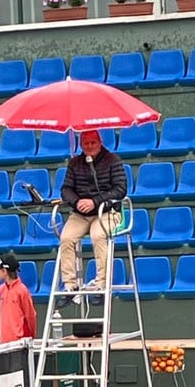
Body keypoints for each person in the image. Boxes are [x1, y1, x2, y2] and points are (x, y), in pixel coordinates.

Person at [57, 129, 128, 303]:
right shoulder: (74, 163)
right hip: (81, 214)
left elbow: (120, 189)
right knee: (66, 238)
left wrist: (95, 201)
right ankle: (70, 286)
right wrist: (76, 202)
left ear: (100, 142)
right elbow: (65, 189)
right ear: (81, 145)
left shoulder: (113, 160)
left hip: (106, 211)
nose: (89, 147)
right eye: (86, 143)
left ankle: (101, 285)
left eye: (93, 143)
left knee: (98, 236)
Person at [0, 252, 37, 342]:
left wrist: (30, 337)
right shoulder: (1, 290)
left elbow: (30, 315)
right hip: (5, 341)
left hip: (20, 342)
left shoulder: (22, 290)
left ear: (4, 271)